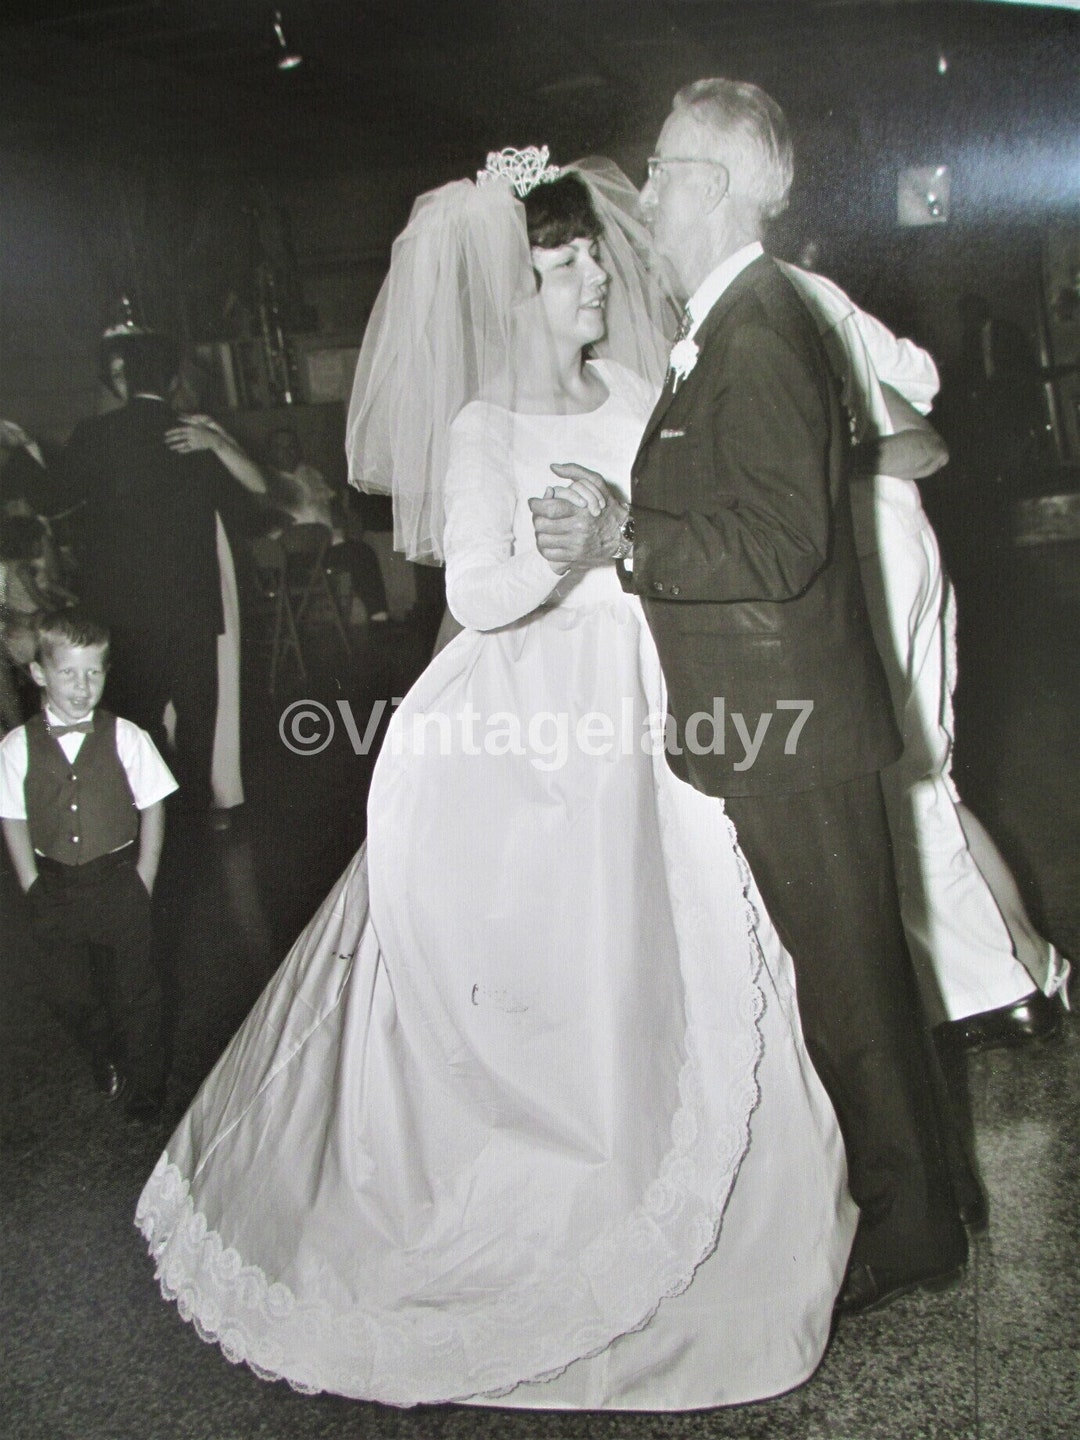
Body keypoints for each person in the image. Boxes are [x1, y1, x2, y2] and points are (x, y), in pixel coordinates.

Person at [136, 152, 856, 1409]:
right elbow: (473, 594)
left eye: (593, 256)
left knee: (675, 958)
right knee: (550, 975)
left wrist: (620, 552)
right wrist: (567, 557)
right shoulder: (481, 428)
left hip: (646, 695)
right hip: (526, 728)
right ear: (507, 295)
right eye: (562, 265)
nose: (595, 279)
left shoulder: (635, 386)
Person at [531, 80, 970, 1316]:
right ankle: (928, 1195)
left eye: (664, 169)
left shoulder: (760, 325)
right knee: (855, 974)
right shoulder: (733, 323)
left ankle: (915, 1229)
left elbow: (778, 545)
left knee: (849, 984)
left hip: (795, 724)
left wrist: (626, 539)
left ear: (714, 187)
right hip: (778, 718)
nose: (649, 191)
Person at [782, 269, 1071, 1045]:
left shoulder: (816, 336)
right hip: (862, 566)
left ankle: (1016, 976)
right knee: (918, 785)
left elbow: (927, 447)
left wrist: (822, 463)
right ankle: (1017, 976)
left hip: (886, 561)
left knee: (913, 782)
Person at [62, 329, 266, 820]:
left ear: (123, 381)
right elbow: (258, 495)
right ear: (174, 379)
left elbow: (56, 502)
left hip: (123, 610)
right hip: (191, 603)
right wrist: (215, 442)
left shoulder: (93, 435)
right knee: (197, 719)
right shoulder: (194, 434)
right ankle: (192, 811)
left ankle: (148, 816)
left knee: (138, 717)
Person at [0, 608, 178, 1120]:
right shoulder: (17, 748)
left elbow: (154, 805)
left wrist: (144, 875)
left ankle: (145, 1086)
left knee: (137, 991)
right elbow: (12, 816)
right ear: (39, 674)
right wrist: (31, 883)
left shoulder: (128, 736)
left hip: (118, 880)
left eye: (93, 672)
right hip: (54, 887)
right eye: (68, 673)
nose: (82, 688)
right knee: (68, 993)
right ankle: (103, 1051)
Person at [264, 426, 390, 623]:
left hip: (328, 546)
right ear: (270, 451)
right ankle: (379, 619)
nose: (287, 452)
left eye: (291, 447)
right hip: (294, 553)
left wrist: (342, 516)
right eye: (280, 447)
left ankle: (379, 618)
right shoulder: (266, 481)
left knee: (362, 551)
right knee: (358, 554)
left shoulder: (311, 474)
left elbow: (333, 504)